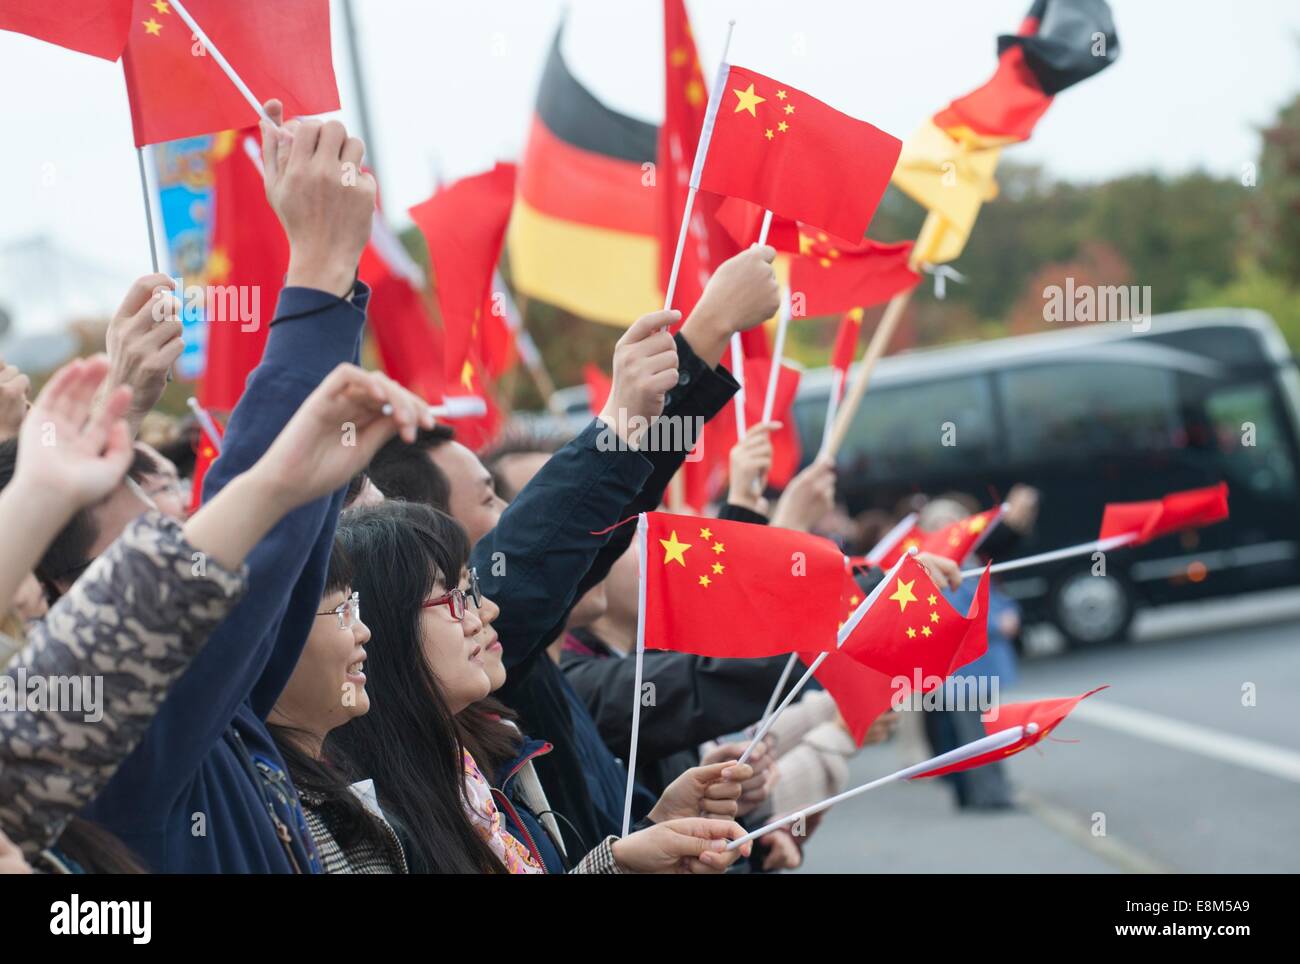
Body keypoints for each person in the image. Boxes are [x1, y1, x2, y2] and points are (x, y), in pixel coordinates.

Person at [367, 244, 783, 854]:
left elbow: (603, 510)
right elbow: (552, 537)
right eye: (494, 502)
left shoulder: (516, 686)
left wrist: (652, 830)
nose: (518, 520)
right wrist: (699, 337)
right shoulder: (485, 691)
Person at [329, 501, 752, 873]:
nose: (486, 611)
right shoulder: (371, 825)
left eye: (471, 589)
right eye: (454, 596)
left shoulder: (477, 772)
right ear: (382, 628)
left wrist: (653, 834)